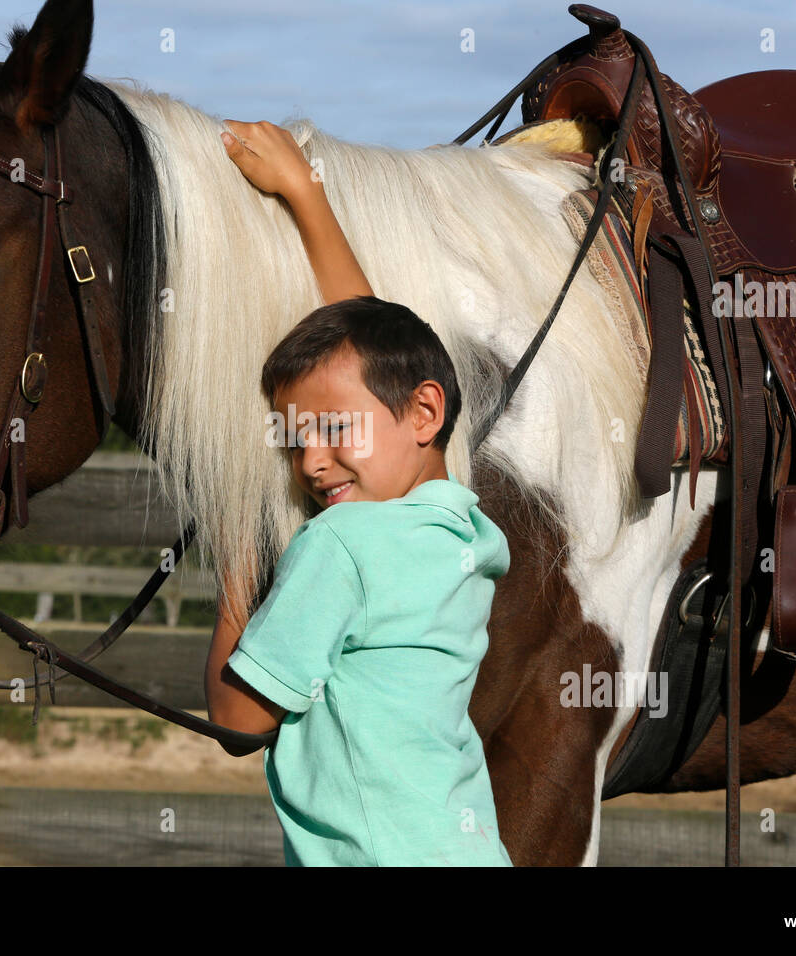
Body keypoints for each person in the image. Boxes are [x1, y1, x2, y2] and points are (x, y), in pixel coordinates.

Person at [205, 120, 512, 866]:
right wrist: (308, 198)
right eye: (294, 439)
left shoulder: (343, 542)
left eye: (331, 432)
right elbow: (376, 359)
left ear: (427, 414)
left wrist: (241, 567)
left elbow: (239, 720)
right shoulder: (461, 531)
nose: (312, 463)